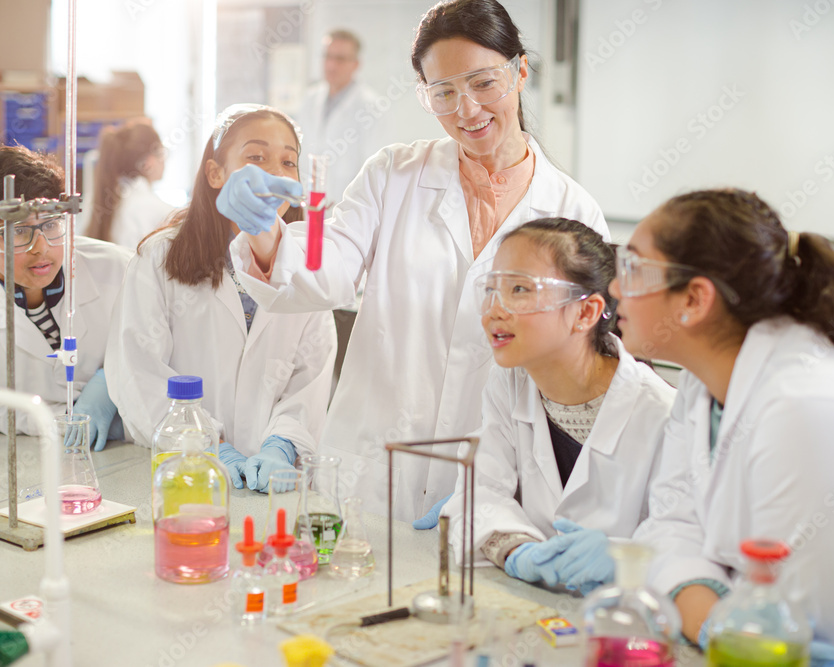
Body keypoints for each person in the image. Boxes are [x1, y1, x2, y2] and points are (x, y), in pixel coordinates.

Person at [219, 0, 609, 521]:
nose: (466, 110)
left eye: (482, 83)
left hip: (494, 479)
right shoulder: (392, 175)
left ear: (520, 72)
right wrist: (265, 230)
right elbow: (322, 276)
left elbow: (581, 362)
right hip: (372, 470)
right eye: (443, 92)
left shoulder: (573, 211)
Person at [610, 189, 834, 660]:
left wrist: (719, 615)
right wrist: (719, 623)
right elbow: (667, 525)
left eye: (632, 268)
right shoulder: (703, 379)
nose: (613, 288)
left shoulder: (810, 408)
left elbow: (812, 626)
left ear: (693, 298)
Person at [105, 104, 336, 493]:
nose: (276, 174)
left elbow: (310, 379)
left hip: (273, 488)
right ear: (216, 172)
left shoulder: (308, 267)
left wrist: (281, 444)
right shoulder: (159, 259)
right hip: (188, 477)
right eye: (256, 157)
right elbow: (138, 371)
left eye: (288, 161)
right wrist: (211, 447)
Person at [441, 218, 674, 594]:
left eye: (519, 289)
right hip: (535, 609)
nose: (494, 310)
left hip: (623, 622)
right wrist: (517, 550)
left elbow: (684, 540)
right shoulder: (510, 382)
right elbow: (481, 491)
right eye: (491, 289)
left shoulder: (662, 414)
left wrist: (620, 558)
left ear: (584, 313)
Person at [0, 145, 132, 448]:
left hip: (131, 443)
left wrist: (111, 383)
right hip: (34, 456)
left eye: (50, 225)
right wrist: (61, 420)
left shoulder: (119, 269)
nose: (42, 247)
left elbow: (155, 349)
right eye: (19, 232)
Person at [290, 29, 383, 205]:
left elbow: (373, 169)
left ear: (356, 64)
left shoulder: (372, 107)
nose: (331, 65)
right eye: (327, 56)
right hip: (308, 203)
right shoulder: (309, 99)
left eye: (340, 59)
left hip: (347, 208)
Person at [86, 119, 175, 250]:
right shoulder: (160, 212)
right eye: (161, 153)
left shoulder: (94, 202)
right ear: (148, 162)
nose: (164, 161)